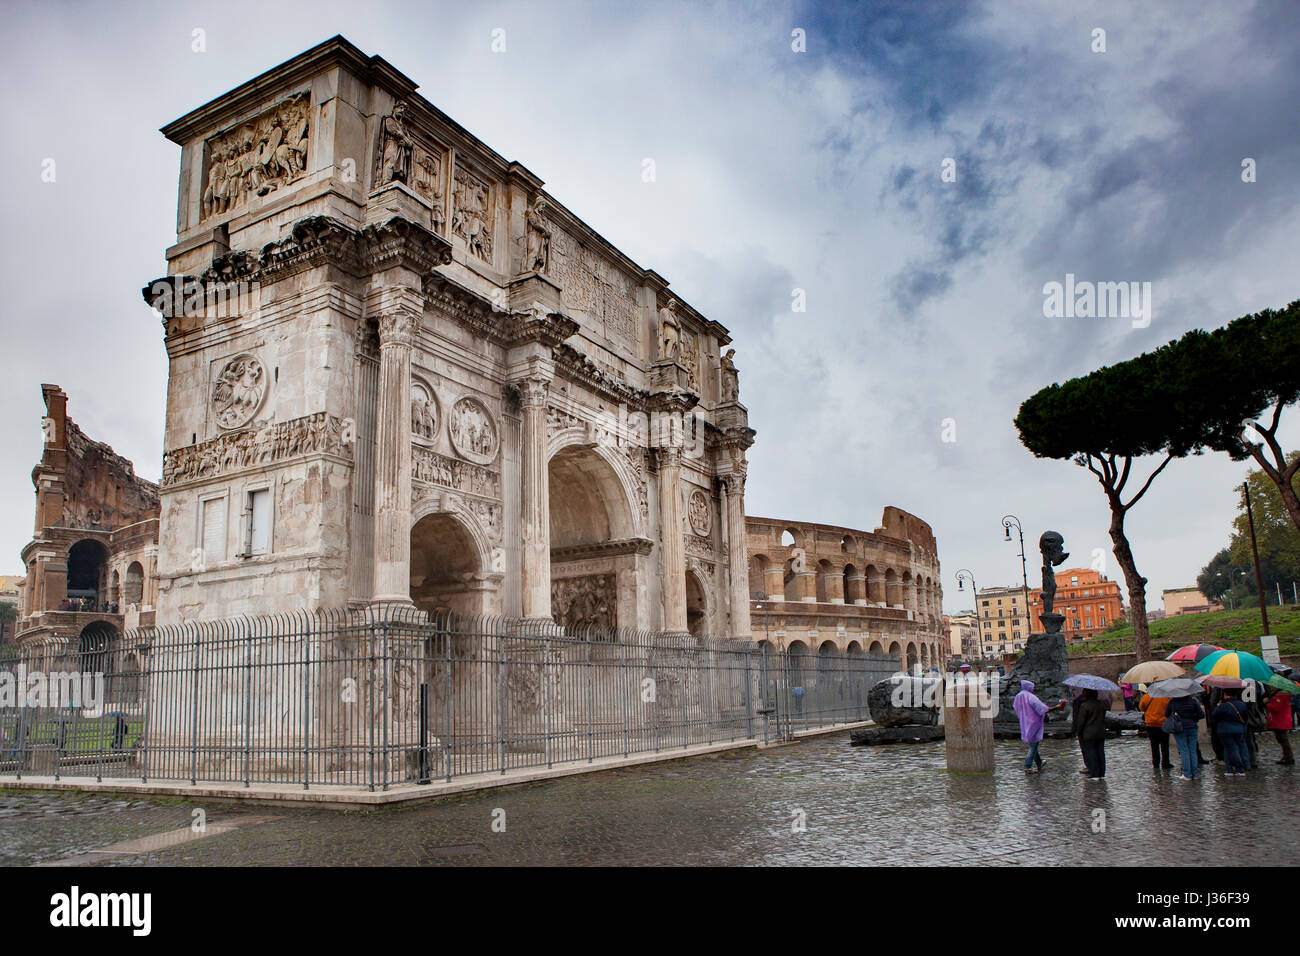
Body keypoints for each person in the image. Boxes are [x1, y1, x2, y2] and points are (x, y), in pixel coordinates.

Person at [1014, 679, 1067, 773]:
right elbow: (1042, 708)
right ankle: (1027, 766)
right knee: (1033, 745)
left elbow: (1016, 708)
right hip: (1034, 722)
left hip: (1024, 722)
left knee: (1033, 743)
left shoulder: (1018, 696)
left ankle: (1039, 763)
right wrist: (1057, 707)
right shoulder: (1031, 697)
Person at [1210, 689, 1250, 776]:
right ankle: (1229, 768)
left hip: (1225, 730)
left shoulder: (1223, 706)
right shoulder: (1242, 704)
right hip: (1239, 730)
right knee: (1229, 748)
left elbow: (1214, 715)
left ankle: (1240, 768)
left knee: (1232, 749)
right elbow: (1245, 718)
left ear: (1225, 695)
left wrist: (1218, 706)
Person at [1166, 692, 1205, 780]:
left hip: (1179, 728)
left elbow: (1166, 714)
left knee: (1184, 751)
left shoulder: (1173, 703)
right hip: (1192, 727)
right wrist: (1193, 719)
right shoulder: (1193, 701)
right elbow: (1201, 715)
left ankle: (1187, 774)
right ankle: (1195, 774)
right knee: (1192, 751)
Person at [1073, 688, 1109, 780]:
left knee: (1091, 753)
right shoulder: (1101, 705)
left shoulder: (1084, 706)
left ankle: (1094, 773)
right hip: (1101, 732)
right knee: (1101, 753)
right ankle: (1102, 772)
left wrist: (1078, 733)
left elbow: (1081, 722)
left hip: (1089, 733)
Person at [1139, 689, 1174, 770]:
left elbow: (1141, 707)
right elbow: (1170, 708)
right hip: (1163, 723)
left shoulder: (1146, 697)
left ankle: (1155, 763)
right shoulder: (1166, 697)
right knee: (1164, 744)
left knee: (1154, 745)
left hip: (1151, 724)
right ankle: (1165, 762)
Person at [1266, 689, 1295, 765]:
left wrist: (1268, 703)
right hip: (1282, 721)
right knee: (1283, 740)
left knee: (1283, 740)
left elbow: (1276, 708)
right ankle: (1287, 756)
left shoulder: (1280, 696)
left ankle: (1288, 757)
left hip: (1280, 722)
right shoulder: (1283, 695)